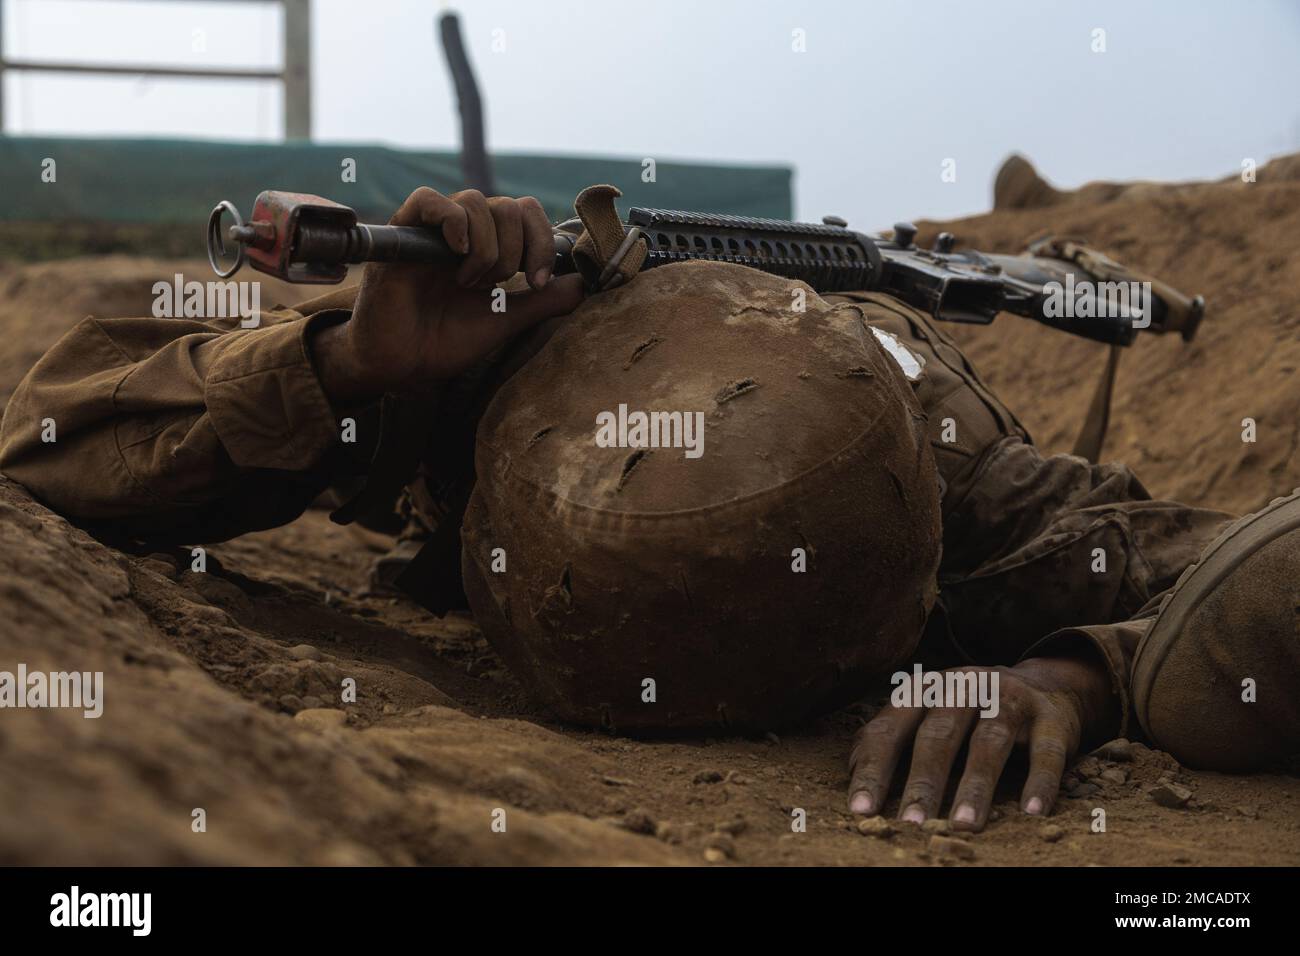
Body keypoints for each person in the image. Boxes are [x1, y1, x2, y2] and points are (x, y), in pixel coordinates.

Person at [2, 187, 1295, 834]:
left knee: (976, 290)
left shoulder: (984, 505)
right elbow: (44, 440)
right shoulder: (493, 352)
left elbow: (1248, 571)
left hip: (901, 380)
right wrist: (351, 365)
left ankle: (1050, 268)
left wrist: (1076, 675)